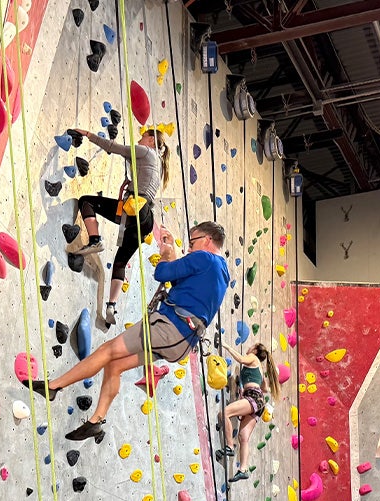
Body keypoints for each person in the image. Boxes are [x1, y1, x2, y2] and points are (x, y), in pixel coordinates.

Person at [24, 222, 229, 443]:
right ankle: (96, 421)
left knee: (107, 350)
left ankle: (53, 387)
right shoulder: (222, 273)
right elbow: (183, 283)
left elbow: (162, 273)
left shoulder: (204, 259)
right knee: (116, 365)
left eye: (193, 242)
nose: (190, 248)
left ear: (207, 240)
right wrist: (174, 255)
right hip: (181, 342)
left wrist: (166, 254)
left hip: (169, 328)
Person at [68, 128, 172, 328]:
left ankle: (95, 240)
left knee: (86, 202)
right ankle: (111, 307)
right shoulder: (158, 164)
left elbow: (113, 147)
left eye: (143, 137)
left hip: (134, 209)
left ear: (151, 140)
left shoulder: (146, 152)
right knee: (121, 261)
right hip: (146, 219)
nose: (140, 139)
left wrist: (87, 134)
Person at [219, 343, 281, 482]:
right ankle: (243, 469)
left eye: (251, 347)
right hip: (258, 400)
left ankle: (229, 446)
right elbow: (265, 388)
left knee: (225, 413)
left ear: (254, 350)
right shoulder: (258, 367)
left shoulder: (252, 357)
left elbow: (241, 359)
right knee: (243, 437)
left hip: (253, 397)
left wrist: (227, 347)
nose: (248, 348)